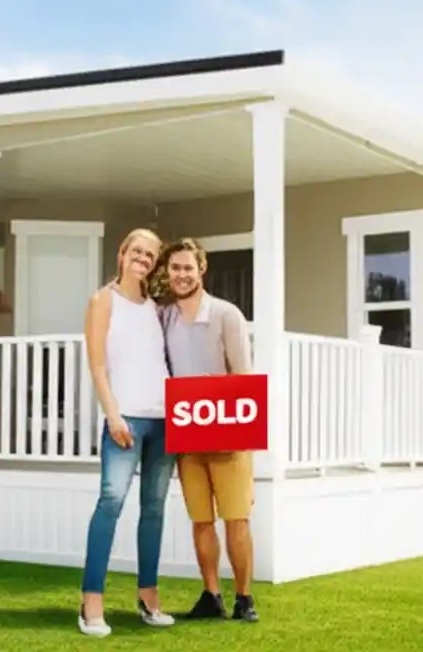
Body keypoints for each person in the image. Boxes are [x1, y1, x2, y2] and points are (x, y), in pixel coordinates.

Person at [77, 227, 177, 637]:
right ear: (122, 254)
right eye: (137, 250)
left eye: (150, 254)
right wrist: (113, 414)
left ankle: (148, 598)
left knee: (153, 510)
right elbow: (98, 364)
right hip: (126, 420)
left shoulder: (155, 307)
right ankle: (91, 603)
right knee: (111, 502)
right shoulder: (103, 300)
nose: (143, 258)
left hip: (164, 421)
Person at [157, 237, 260, 623]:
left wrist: (240, 432)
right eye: (175, 268)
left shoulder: (226, 314)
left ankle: (244, 598)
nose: (182, 275)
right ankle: (211, 595)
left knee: (236, 517)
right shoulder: (164, 316)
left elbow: (244, 375)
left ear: (202, 269)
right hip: (187, 429)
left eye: (188, 267)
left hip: (227, 425)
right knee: (200, 518)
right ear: (167, 274)